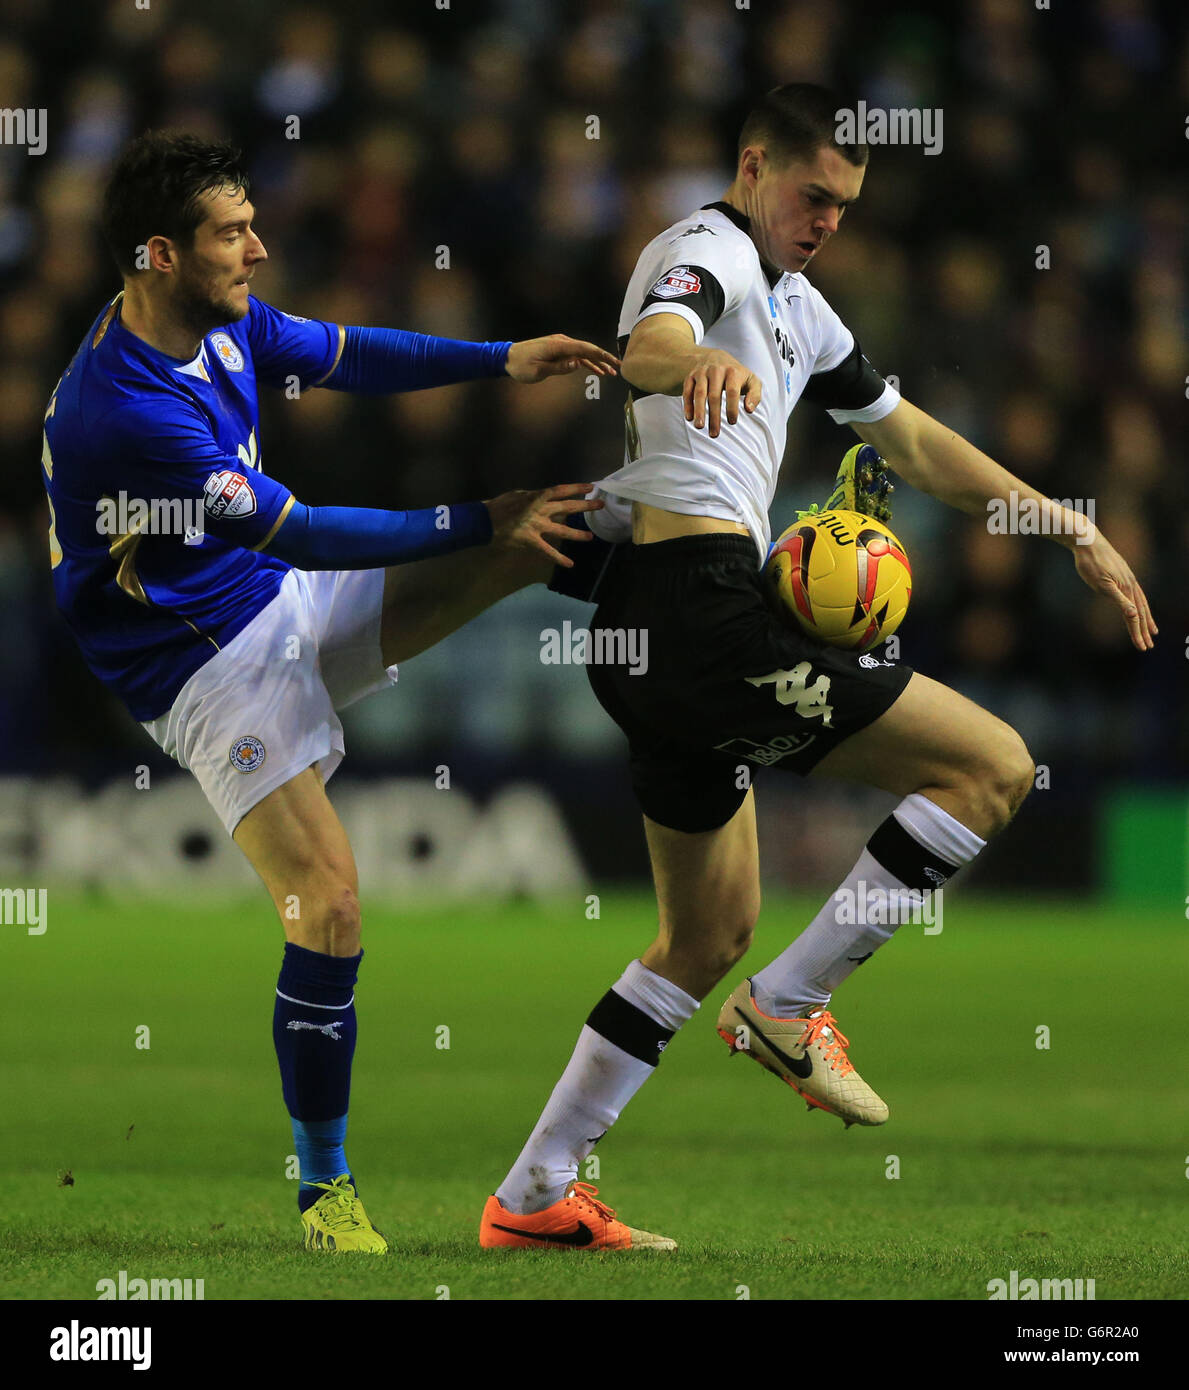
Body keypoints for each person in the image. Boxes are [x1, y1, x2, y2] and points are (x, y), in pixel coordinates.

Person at [476, 83, 1156, 1252]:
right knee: (993, 768)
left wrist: (1068, 526)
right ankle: (791, 1006)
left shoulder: (800, 305)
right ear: (752, 168)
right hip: (697, 615)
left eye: (844, 203)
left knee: (703, 934)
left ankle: (532, 1195)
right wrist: (685, 367)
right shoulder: (708, 250)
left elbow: (915, 444)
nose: (827, 217)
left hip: (662, 629)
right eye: (811, 194)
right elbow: (649, 340)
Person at [41, 130, 618, 1253]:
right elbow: (298, 528)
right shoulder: (118, 409)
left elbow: (348, 352)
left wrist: (505, 358)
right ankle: (324, 1191)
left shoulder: (221, 322)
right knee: (332, 909)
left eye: (252, 221)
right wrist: (472, 516)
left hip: (274, 597)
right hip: (200, 661)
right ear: (159, 254)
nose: (258, 246)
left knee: (558, 521)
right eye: (231, 232)